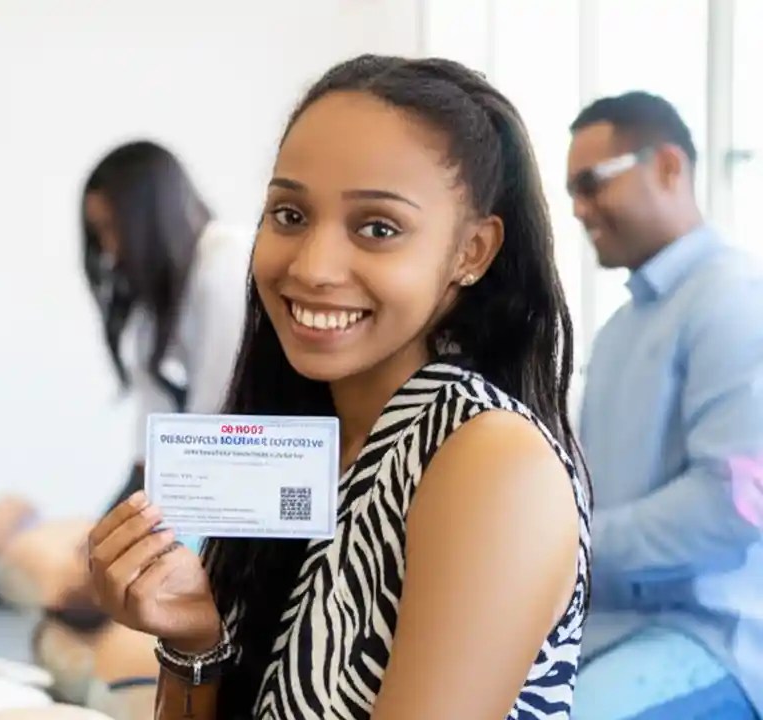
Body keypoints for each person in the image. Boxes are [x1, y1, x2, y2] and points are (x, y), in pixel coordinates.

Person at [87, 54, 590, 719]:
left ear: (473, 251)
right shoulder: (312, 442)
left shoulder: (491, 461)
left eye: (377, 229)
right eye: (290, 216)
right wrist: (193, 643)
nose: (314, 267)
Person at [568, 91, 763, 718]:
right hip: (609, 637)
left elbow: (737, 503)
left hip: (710, 638)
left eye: (591, 184)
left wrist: (571, 543)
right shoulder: (620, 329)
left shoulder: (734, 301)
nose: (578, 208)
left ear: (669, 167)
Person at [81, 141, 252, 528]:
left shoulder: (225, 264)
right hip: (198, 480)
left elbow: (216, 418)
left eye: (112, 228)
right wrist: (109, 525)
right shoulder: (155, 294)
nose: (108, 250)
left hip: (238, 481)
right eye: (99, 233)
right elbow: (150, 440)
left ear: (147, 218)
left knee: (54, 564)